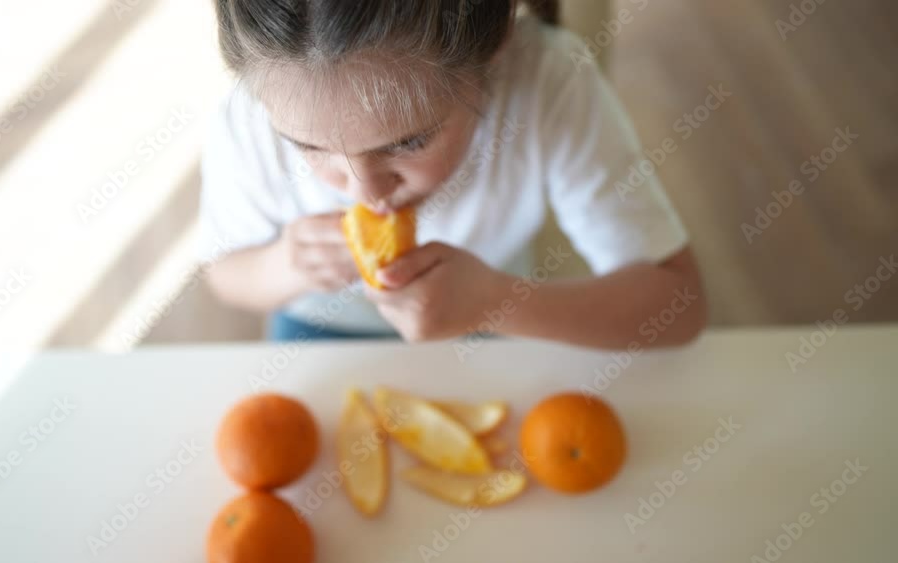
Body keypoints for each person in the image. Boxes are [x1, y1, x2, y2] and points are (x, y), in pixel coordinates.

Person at [199, 0, 706, 348]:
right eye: (308, 146)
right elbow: (225, 273)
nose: (364, 192)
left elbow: (678, 304)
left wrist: (494, 302)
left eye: (409, 142)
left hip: (490, 309)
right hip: (319, 323)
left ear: (498, 50)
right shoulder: (247, 114)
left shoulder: (548, 79)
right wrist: (287, 267)